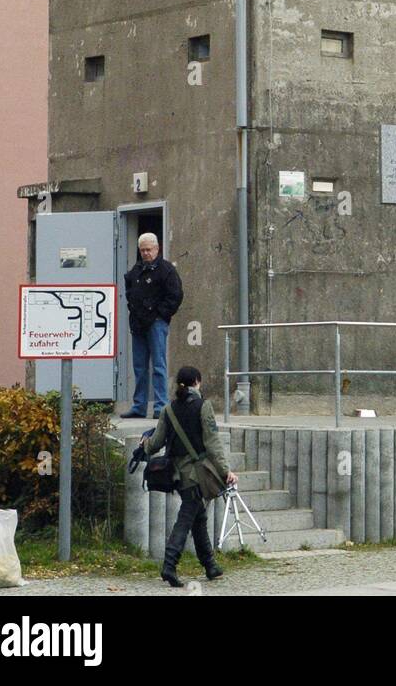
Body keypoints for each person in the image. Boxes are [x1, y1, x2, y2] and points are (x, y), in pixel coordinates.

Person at [143, 365, 237, 587]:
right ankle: (169, 565)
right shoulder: (203, 406)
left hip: (178, 474)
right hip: (197, 475)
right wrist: (226, 471)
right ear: (196, 381)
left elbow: (156, 443)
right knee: (186, 518)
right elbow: (213, 443)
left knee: (199, 517)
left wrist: (143, 446)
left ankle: (210, 566)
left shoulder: (168, 409)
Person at [124, 232, 183, 418]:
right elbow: (129, 292)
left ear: (157, 249)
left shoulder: (166, 270)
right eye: (142, 250)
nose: (146, 253)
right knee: (139, 368)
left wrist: (160, 315)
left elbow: (175, 296)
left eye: (149, 250)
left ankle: (160, 407)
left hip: (156, 323)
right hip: (138, 323)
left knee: (159, 366)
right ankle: (139, 406)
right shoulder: (136, 270)